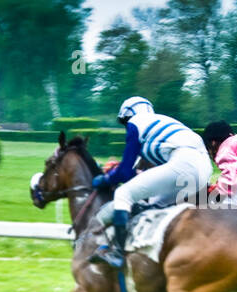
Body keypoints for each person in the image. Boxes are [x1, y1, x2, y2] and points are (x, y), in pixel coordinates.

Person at [90, 96, 212, 268]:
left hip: (183, 164)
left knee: (123, 194)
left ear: (128, 115)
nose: (126, 128)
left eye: (124, 123)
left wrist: (105, 179)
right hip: (204, 169)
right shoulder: (160, 125)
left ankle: (117, 253)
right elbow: (140, 174)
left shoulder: (136, 123)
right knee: (154, 207)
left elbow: (126, 172)